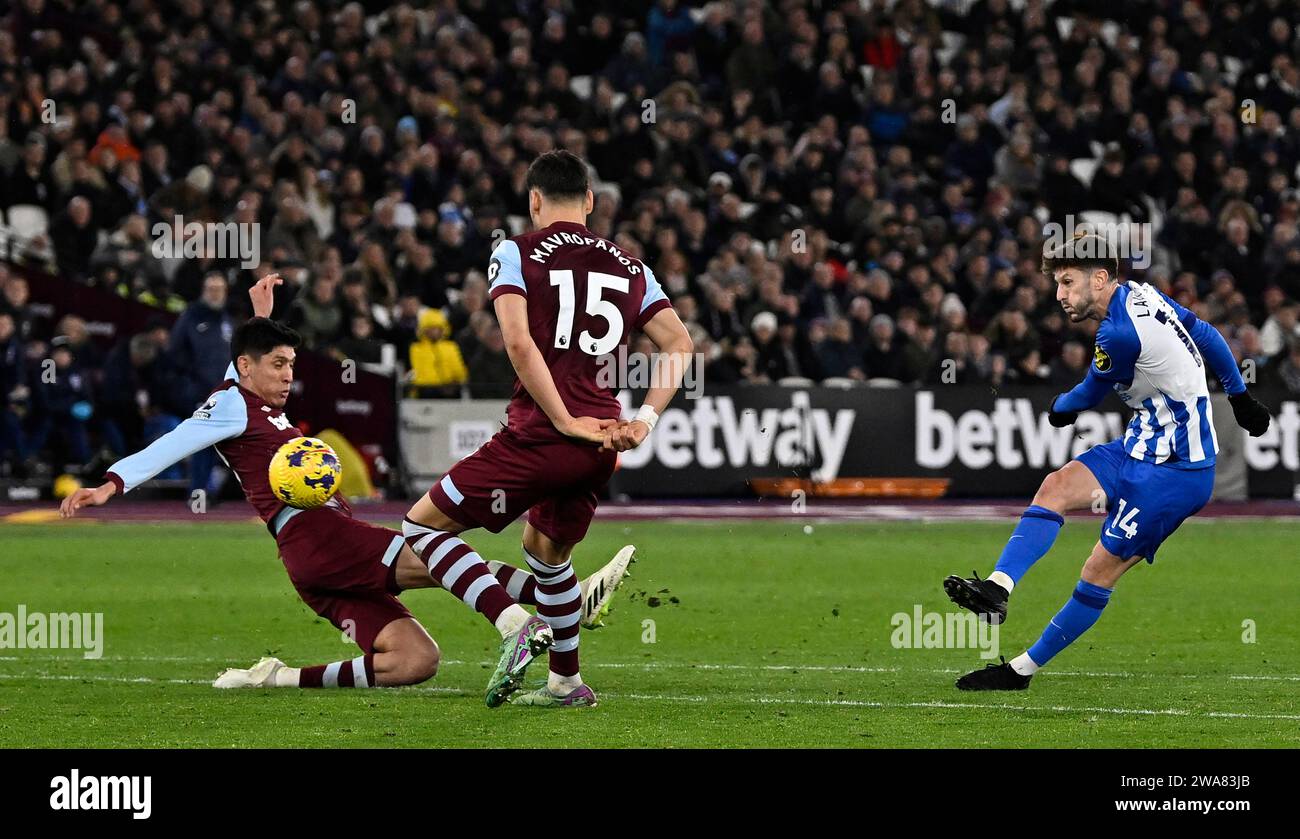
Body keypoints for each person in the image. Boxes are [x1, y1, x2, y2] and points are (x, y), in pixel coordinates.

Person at [59, 275, 633, 706]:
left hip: (314, 558)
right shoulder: (230, 404)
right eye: (279, 365)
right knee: (434, 546)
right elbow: (178, 440)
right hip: (320, 537)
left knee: (413, 661)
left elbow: (243, 365)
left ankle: (275, 676)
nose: (289, 375)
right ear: (245, 367)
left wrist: (262, 315)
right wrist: (113, 482)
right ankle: (540, 612)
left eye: (292, 364)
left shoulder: (245, 395)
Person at [403, 150, 694, 708]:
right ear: (589, 201)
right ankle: (565, 682)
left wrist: (562, 419)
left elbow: (517, 342)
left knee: (421, 530)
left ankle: (516, 624)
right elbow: (680, 345)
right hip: (600, 444)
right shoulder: (633, 267)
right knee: (545, 553)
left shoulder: (513, 251)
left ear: (534, 201)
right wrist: (644, 421)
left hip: (541, 435)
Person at [944, 233, 1272, 690]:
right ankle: (997, 588)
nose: (1059, 295)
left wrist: (1058, 408)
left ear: (1100, 278)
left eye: (1067, 282)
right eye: (1057, 284)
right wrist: (1239, 397)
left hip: (1178, 473)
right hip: (1139, 445)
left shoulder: (1118, 334)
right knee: (1055, 487)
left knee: (1099, 569)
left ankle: (1022, 669)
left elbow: (1087, 396)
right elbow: (1205, 332)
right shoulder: (1142, 293)